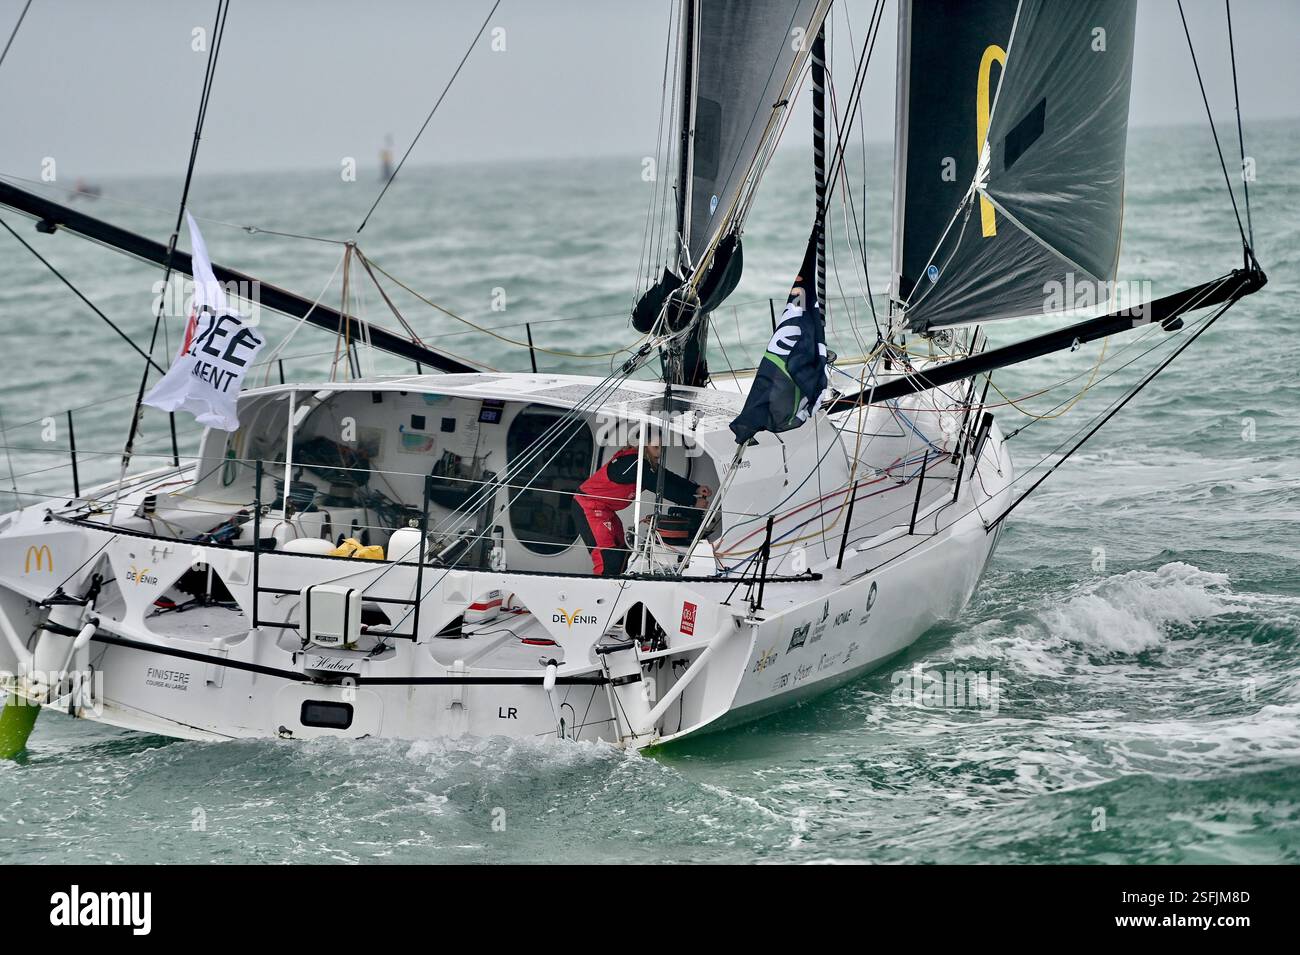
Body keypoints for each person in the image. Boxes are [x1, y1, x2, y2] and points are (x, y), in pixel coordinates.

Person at [572, 435, 711, 576]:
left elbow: (666, 477)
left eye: (662, 449)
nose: (659, 453)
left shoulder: (644, 463)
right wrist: (693, 501)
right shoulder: (635, 463)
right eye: (656, 448)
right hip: (588, 505)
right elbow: (660, 486)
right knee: (608, 557)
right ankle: (600, 592)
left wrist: (695, 489)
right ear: (643, 445)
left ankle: (616, 586)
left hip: (604, 509)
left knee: (621, 552)